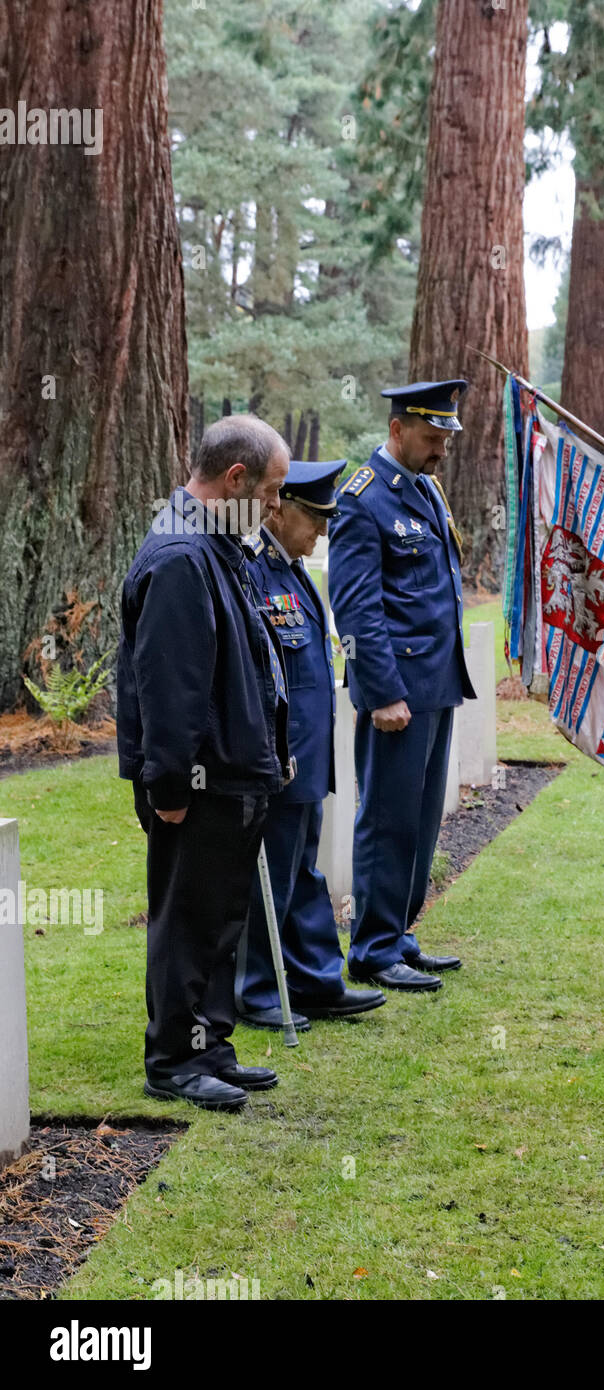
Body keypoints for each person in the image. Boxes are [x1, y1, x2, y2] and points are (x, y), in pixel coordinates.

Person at [117, 414, 293, 1112]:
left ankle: (209, 1045)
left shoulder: (216, 545)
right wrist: (168, 784)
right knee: (188, 921)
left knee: (220, 919)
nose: (279, 506)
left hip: (230, 772)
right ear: (237, 479)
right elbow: (171, 685)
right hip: (198, 781)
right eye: (274, 491)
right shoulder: (183, 557)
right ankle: (174, 1060)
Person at [327, 380, 475, 993]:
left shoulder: (425, 489)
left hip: (436, 683)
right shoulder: (362, 501)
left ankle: (400, 931)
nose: (441, 449)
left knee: (420, 819)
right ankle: (372, 947)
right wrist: (383, 691)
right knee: (387, 818)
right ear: (397, 431)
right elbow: (356, 608)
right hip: (398, 693)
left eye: (446, 438)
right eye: (432, 437)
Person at [236, 459, 387, 1028]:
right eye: (315, 519)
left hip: (307, 754)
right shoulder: (252, 572)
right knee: (268, 875)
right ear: (282, 509)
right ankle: (257, 991)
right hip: (278, 754)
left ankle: (315, 980)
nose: (322, 532)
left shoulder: (293, 570)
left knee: (303, 871)